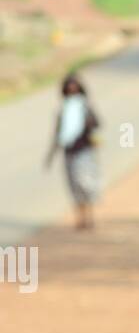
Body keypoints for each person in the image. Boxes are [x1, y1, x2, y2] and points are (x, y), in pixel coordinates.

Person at [45, 73, 101, 230]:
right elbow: (58, 134)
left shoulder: (85, 106)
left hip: (85, 151)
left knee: (86, 184)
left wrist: (87, 120)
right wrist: (50, 155)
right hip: (69, 153)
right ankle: (80, 218)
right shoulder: (63, 110)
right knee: (74, 186)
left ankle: (89, 216)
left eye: (74, 87)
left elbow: (97, 124)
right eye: (69, 87)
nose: (72, 90)